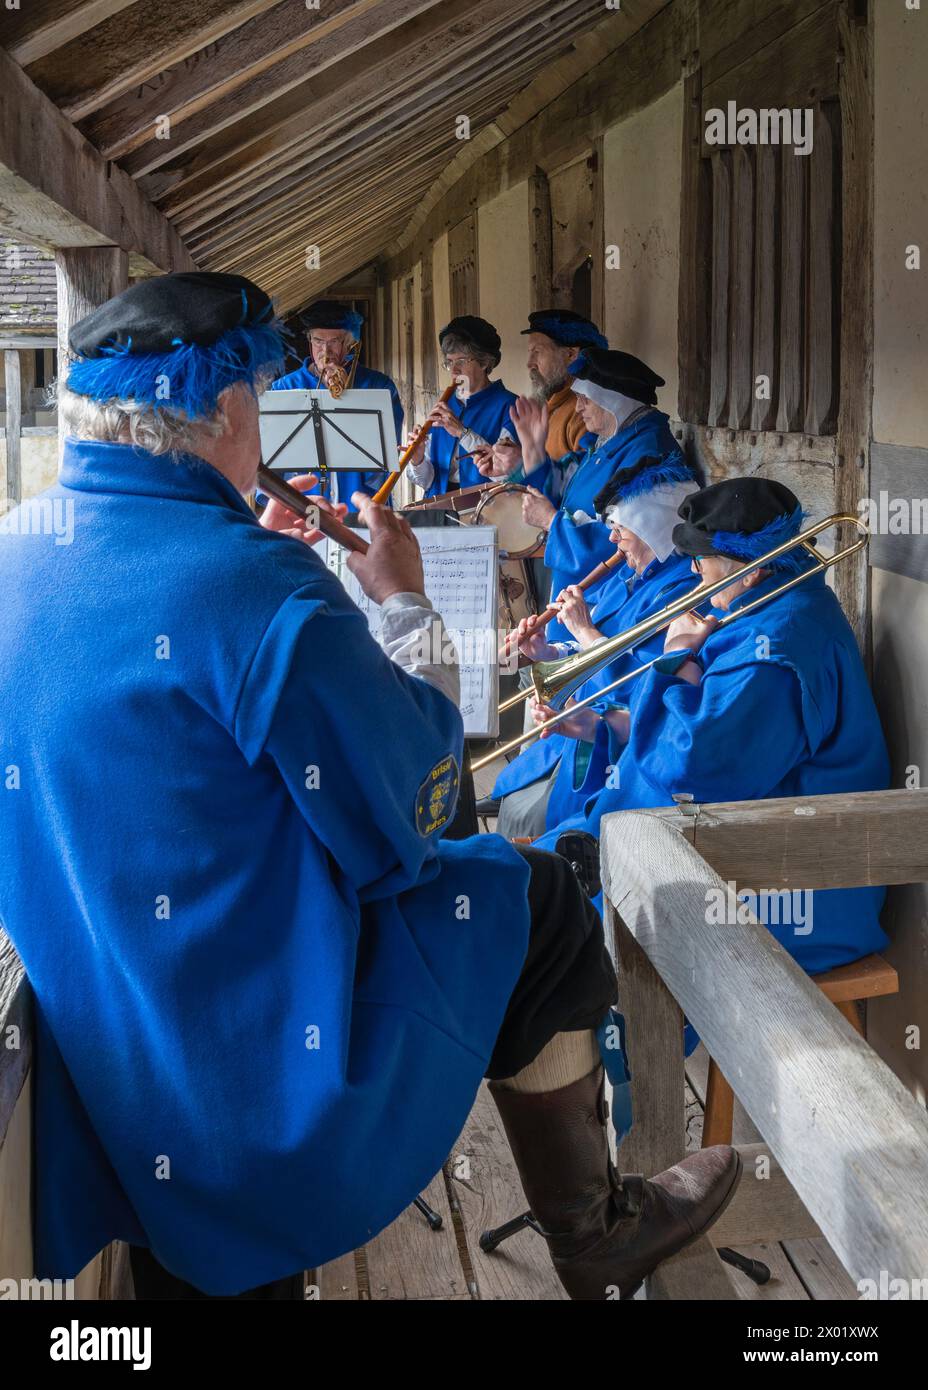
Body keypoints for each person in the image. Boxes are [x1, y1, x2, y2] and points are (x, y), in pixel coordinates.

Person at [0, 271, 739, 1303]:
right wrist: (399, 605)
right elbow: (421, 803)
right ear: (225, 412)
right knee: (534, 901)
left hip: (117, 1076)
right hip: (264, 1081)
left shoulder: (17, 560)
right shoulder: (254, 587)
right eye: (258, 399)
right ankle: (594, 1226)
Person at [536, 477, 891, 976]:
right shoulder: (765, 608)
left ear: (750, 573)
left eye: (703, 560)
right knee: (554, 879)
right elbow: (708, 736)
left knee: (570, 935)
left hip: (799, 884)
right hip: (759, 837)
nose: (694, 571)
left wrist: (677, 660)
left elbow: (698, 767)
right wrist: (604, 725)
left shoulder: (780, 647)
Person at [493, 455, 700, 840]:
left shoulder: (681, 592)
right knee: (517, 802)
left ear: (652, 528)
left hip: (610, 742)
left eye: (621, 528)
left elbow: (646, 682)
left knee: (531, 821)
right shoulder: (629, 571)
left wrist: (585, 630)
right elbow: (589, 647)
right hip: (576, 718)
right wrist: (548, 653)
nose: (611, 539)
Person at [509, 347, 695, 641]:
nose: (578, 408)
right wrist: (531, 454)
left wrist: (551, 522)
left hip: (604, 604)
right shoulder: (608, 441)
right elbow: (568, 490)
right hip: (580, 593)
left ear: (612, 401)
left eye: (585, 399)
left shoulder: (648, 452)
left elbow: (625, 538)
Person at [272, 298, 404, 510]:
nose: (326, 351)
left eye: (334, 341)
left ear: (350, 343)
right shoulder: (284, 388)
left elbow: (388, 453)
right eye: (318, 341)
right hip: (304, 502)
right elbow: (273, 458)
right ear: (309, 342)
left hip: (360, 502)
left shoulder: (379, 386)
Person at [479, 308, 606, 482]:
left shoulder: (586, 415)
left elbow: (582, 490)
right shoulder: (551, 403)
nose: (529, 363)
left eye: (537, 352)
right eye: (530, 353)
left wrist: (524, 463)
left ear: (570, 354)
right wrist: (510, 461)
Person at [406, 315, 517, 497]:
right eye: (449, 362)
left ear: (484, 362)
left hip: (485, 510)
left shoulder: (510, 406)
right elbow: (427, 481)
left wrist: (462, 433)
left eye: (461, 361)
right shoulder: (445, 405)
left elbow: (508, 474)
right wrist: (417, 459)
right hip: (438, 508)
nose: (454, 370)